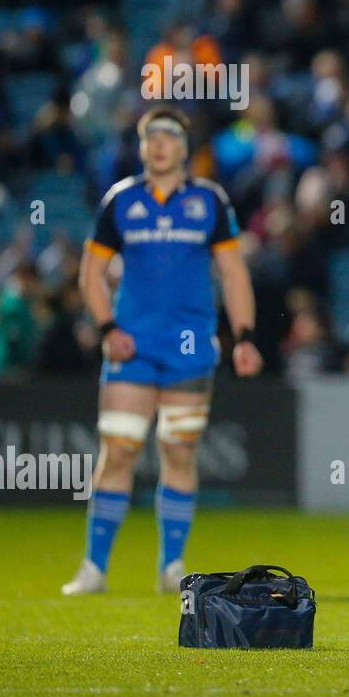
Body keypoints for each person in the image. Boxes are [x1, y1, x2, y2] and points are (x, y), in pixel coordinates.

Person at [63, 107, 263, 596]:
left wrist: (244, 336)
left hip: (190, 349)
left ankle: (172, 565)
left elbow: (233, 271)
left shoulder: (209, 200)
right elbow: (91, 271)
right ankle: (95, 567)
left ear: (184, 148)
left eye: (168, 136)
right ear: (141, 145)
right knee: (119, 449)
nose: (158, 144)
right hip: (133, 347)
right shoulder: (121, 200)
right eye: (150, 136)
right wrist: (108, 326)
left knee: (178, 450)